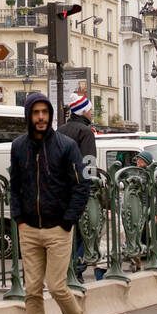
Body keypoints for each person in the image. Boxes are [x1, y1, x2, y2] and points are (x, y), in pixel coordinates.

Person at [9, 92, 89, 314]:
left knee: (57, 286)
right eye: (36, 113)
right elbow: (15, 185)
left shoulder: (66, 146)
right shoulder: (18, 147)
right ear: (29, 116)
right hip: (29, 228)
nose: (41, 117)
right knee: (31, 290)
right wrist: (19, 218)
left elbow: (82, 186)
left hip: (58, 228)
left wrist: (68, 221)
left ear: (51, 115)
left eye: (45, 112)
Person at [58, 91, 97, 279]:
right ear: (82, 111)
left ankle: (65, 268)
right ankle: (77, 270)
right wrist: (88, 185)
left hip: (60, 188)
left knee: (66, 231)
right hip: (77, 187)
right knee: (82, 231)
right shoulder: (86, 132)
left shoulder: (60, 130)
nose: (92, 112)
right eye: (89, 109)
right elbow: (89, 162)